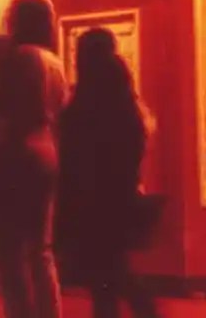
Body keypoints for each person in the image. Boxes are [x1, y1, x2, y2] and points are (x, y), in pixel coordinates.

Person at [57, 28, 159, 318]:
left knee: (106, 277)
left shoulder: (83, 101)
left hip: (90, 199)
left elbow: (73, 154)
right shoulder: (123, 93)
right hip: (120, 194)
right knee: (113, 270)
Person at [0, 0, 68, 318]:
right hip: (47, 153)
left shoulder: (14, 60)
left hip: (16, 154)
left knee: (9, 251)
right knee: (41, 250)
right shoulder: (55, 62)